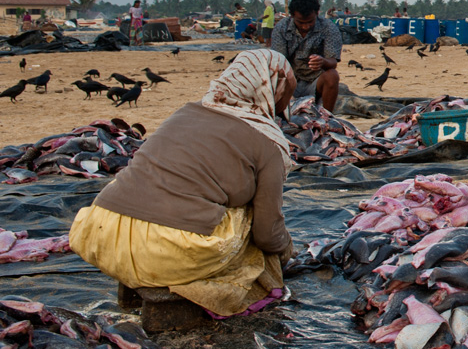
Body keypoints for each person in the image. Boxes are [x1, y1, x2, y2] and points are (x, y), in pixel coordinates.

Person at [68, 49, 297, 317]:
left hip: (101, 236)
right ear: (274, 90)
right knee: (249, 212)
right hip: (168, 254)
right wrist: (284, 251)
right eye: (288, 91)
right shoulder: (268, 143)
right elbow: (267, 234)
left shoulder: (185, 112)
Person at [271, 0, 342, 111]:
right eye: (301, 22)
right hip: (289, 80)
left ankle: (327, 118)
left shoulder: (328, 28)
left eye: (310, 22)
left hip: (315, 81)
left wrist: (322, 61)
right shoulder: (281, 28)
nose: (306, 26)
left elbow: (333, 62)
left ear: (317, 13)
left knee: (332, 76)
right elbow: (279, 62)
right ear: (292, 16)